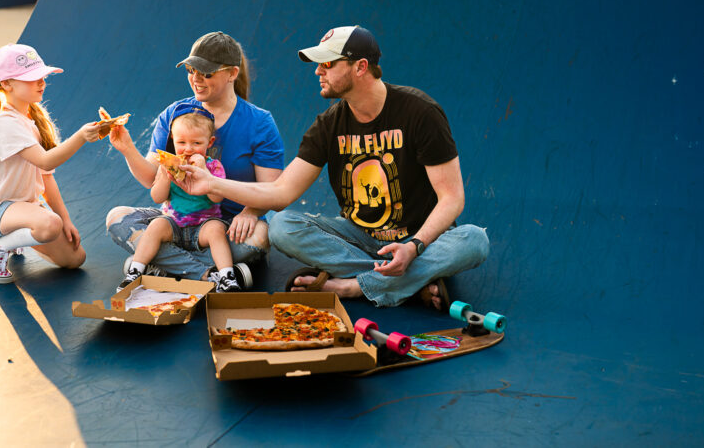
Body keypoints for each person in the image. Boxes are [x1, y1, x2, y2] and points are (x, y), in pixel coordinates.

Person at [179, 25, 489, 309]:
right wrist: (212, 184)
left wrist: (415, 246)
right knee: (283, 227)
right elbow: (281, 192)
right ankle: (411, 281)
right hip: (357, 236)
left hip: (418, 237)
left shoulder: (420, 113)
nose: (317, 72)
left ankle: (353, 286)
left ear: (360, 67)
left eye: (327, 64)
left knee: (474, 240)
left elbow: (452, 198)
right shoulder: (329, 124)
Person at [106, 31, 285, 282]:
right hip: (177, 222)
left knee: (261, 237)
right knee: (117, 218)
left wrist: (250, 212)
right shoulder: (175, 115)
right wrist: (127, 148)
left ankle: (159, 264)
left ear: (232, 73)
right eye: (191, 70)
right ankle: (212, 274)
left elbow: (273, 189)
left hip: (228, 225)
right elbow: (151, 180)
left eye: (207, 73)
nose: (196, 79)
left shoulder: (260, 122)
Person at [0, 43, 102, 283]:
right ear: (7, 83)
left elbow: (46, 174)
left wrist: (67, 219)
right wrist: (81, 137)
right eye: (31, 78)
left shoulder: (33, 120)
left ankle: (18, 237)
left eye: (42, 76)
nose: (41, 81)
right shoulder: (5, 122)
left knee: (75, 259)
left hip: (25, 207)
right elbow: (45, 159)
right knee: (50, 224)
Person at [118, 106, 242, 292]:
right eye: (181, 142)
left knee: (217, 229)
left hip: (203, 227)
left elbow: (216, 198)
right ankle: (135, 271)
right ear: (172, 141)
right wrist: (166, 176)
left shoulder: (214, 166)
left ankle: (227, 276)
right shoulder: (167, 164)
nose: (188, 149)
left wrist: (204, 172)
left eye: (196, 143)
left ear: (210, 142)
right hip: (174, 225)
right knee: (156, 225)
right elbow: (157, 196)